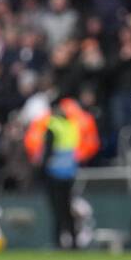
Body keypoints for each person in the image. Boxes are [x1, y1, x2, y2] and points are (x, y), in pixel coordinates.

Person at [40, 97, 80, 249]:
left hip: (54, 172)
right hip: (69, 172)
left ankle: (58, 242)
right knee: (67, 209)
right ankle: (74, 242)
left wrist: (41, 168)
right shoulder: (71, 126)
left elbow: (48, 151)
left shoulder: (53, 125)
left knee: (56, 209)